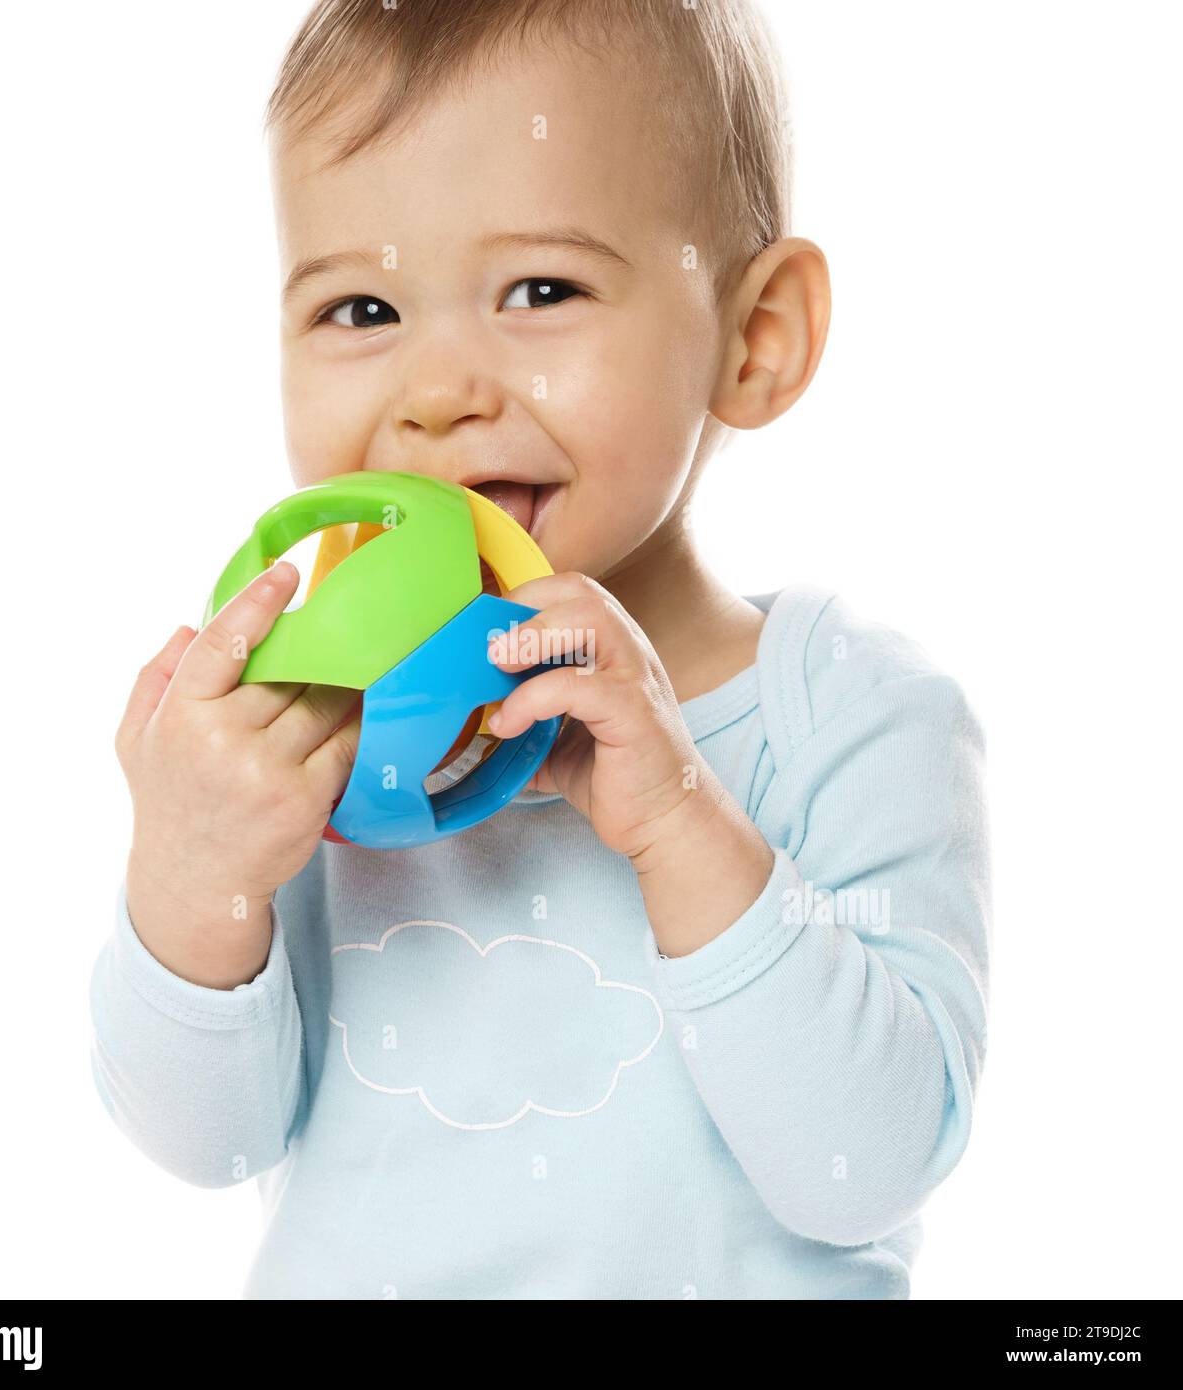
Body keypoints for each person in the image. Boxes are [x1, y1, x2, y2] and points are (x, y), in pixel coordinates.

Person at [90, 0, 990, 1299]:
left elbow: (873, 1159)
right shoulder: (311, 724)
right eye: (359, 308)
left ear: (757, 337)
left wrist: (681, 816)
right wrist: (190, 873)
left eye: (540, 289)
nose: (439, 386)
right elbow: (204, 1143)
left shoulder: (853, 711)